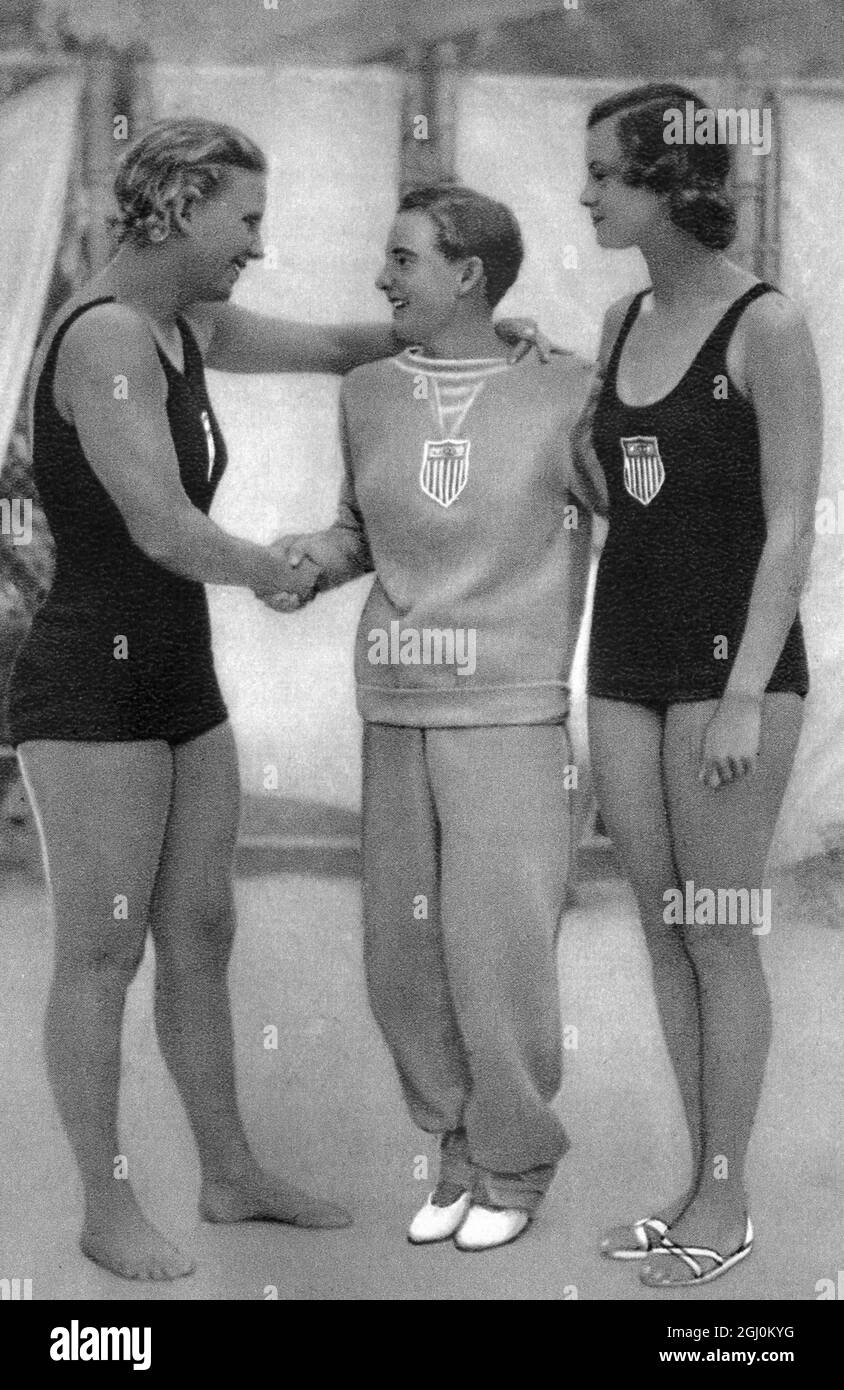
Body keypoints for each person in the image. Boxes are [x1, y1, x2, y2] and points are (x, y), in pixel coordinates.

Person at [5, 119, 549, 1282]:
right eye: (245, 219)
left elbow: (338, 344)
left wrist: (484, 336)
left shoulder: (181, 322)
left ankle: (230, 1170)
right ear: (181, 205)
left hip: (175, 674)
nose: (259, 243)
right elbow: (163, 527)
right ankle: (104, 1205)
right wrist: (290, 566)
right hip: (87, 685)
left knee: (200, 932)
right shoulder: (104, 336)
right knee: (99, 952)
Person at [272, 183, 602, 1251]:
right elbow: (356, 529)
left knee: (495, 951)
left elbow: (646, 519)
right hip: (395, 699)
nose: (381, 277)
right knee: (399, 959)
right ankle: (458, 1142)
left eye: (403, 258)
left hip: (510, 710)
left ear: (469, 275)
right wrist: (309, 562)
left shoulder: (571, 393)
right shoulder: (367, 391)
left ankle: (517, 1158)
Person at [577, 84, 822, 1286]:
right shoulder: (623, 318)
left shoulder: (767, 324)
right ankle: (693, 1178)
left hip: (736, 669)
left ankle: (727, 1195)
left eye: (606, 177)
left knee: (720, 931)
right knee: (664, 927)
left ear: (673, 184)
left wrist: (739, 694)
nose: (585, 195)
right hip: (623, 657)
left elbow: (790, 528)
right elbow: (610, 482)